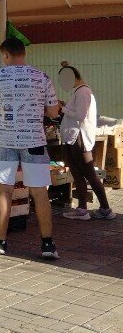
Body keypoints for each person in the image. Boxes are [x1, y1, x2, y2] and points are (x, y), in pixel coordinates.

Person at [0, 38, 61, 259]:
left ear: (5, 55)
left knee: (4, 192)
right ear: (24, 54)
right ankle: (48, 245)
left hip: (2, 142)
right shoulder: (42, 78)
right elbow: (54, 113)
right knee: (39, 192)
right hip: (34, 142)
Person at [58, 61, 116, 221]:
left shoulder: (83, 92)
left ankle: (105, 208)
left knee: (89, 173)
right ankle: (82, 208)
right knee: (77, 172)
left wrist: (61, 109)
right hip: (73, 138)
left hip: (79, 138)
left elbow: (80, 115)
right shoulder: (78, 92)